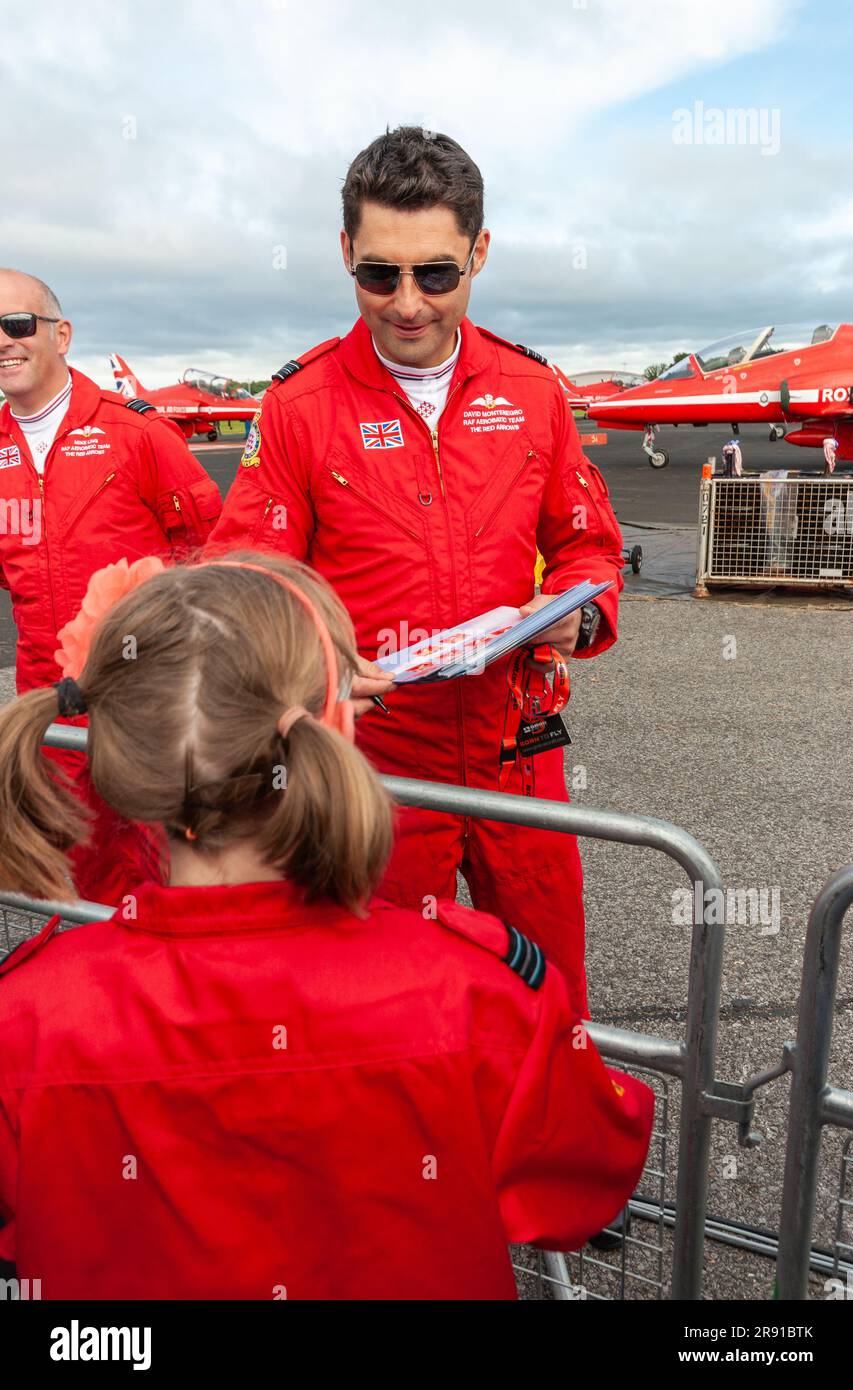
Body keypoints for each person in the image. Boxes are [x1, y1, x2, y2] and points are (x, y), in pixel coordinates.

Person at [0, 551, 652, 1300]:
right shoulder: (475, 988)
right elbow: (581, 1188)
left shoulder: (27, 1012)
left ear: (122, 753)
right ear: (330, 732)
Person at [205, 127, 624, 1018]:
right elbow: (245, 577)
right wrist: (311, 670)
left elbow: (588, 545)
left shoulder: (534, 393)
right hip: (373, 769)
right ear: (345, 253)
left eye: (435, 274)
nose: (406, 303)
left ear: (478, 253)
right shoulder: (296, 406)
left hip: (520, 758)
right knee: (379, 1015)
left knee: (551, 1007)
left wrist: (576, 616)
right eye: (378, 274)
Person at [0, 268, 223, 903]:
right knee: (74, 864)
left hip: (147, 702)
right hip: (49, 705)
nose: (2, 342)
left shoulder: (139, 434)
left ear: (61, 334)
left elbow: (210, 552)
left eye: (16, 325)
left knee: (168, 867)